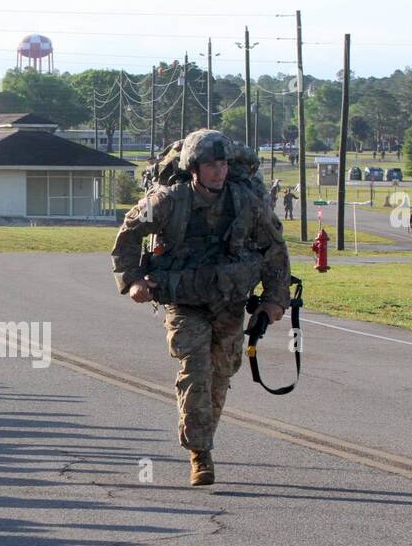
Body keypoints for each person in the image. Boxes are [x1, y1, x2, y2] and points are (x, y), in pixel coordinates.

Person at [110, 129, 291, 486]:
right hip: (184, 301)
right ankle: (200, 454)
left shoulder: (246, 202)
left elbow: (274, 247)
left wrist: (274, 298)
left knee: (221, 374)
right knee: (196, 370)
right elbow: (128, 235)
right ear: (194, 168)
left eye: (223, 164)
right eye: (210, 165)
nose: (218, 171)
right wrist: (133, 280)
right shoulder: (167, 202)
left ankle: (203, 439)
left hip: (229, 300)